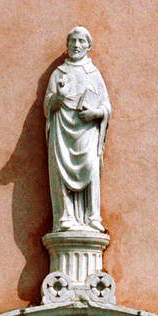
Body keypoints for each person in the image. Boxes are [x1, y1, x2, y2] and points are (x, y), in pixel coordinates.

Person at [44, 26, 110, 232]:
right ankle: (66, 215)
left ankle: (92, 216)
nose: (76, 45)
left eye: (81, 41)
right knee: (61, 170)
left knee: (90, 166)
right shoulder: (58, 74)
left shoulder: (93, 74)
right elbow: (48, 105)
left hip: (87, 132)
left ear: (89, 46)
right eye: (72, 41)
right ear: (67, 45)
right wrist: (59, 97)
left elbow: (106, 105)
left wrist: (95, 114)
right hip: (63, 131)